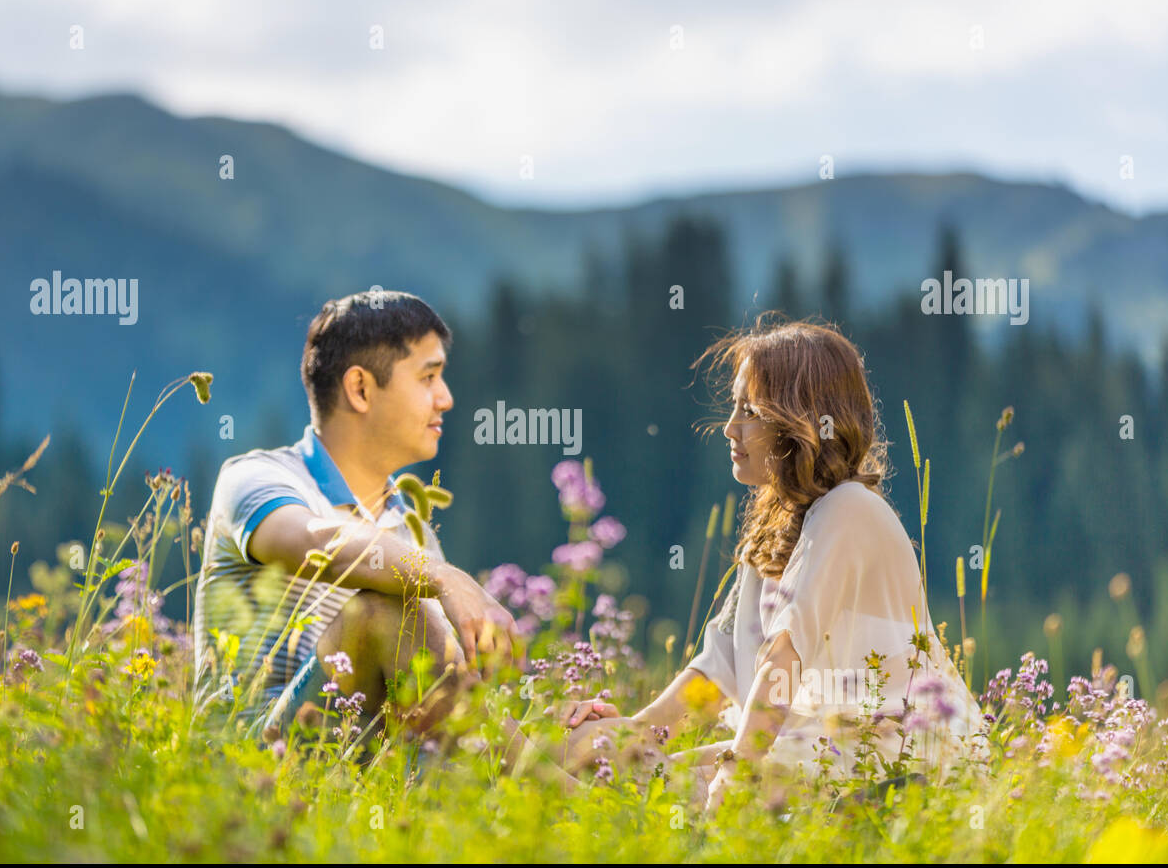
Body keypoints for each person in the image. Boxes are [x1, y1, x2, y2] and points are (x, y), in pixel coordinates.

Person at [566, 316, 990, 811]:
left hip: (895, 765)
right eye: (733, 408)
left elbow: (782, 654)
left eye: (750, 411)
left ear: (800, 421)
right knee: (594, 757)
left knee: (647, 792)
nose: (729, 428)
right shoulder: (777, 524)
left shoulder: (850, 509)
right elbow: (717, 670)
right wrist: (634, 734)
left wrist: (738, 771)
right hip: (822, 752)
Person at [192, 290, 560, 767]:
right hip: (247, 769)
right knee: (382, 606)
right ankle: (566, 808)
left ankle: (571, 790)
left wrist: (545, 723)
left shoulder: (409, 527)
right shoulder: (256, 478)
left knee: (599, 738)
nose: (446, 398)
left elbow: (447, 695)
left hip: (370, 771)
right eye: (428, 377)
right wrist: (445, 577)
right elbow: (315, 543)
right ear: (360, 389)